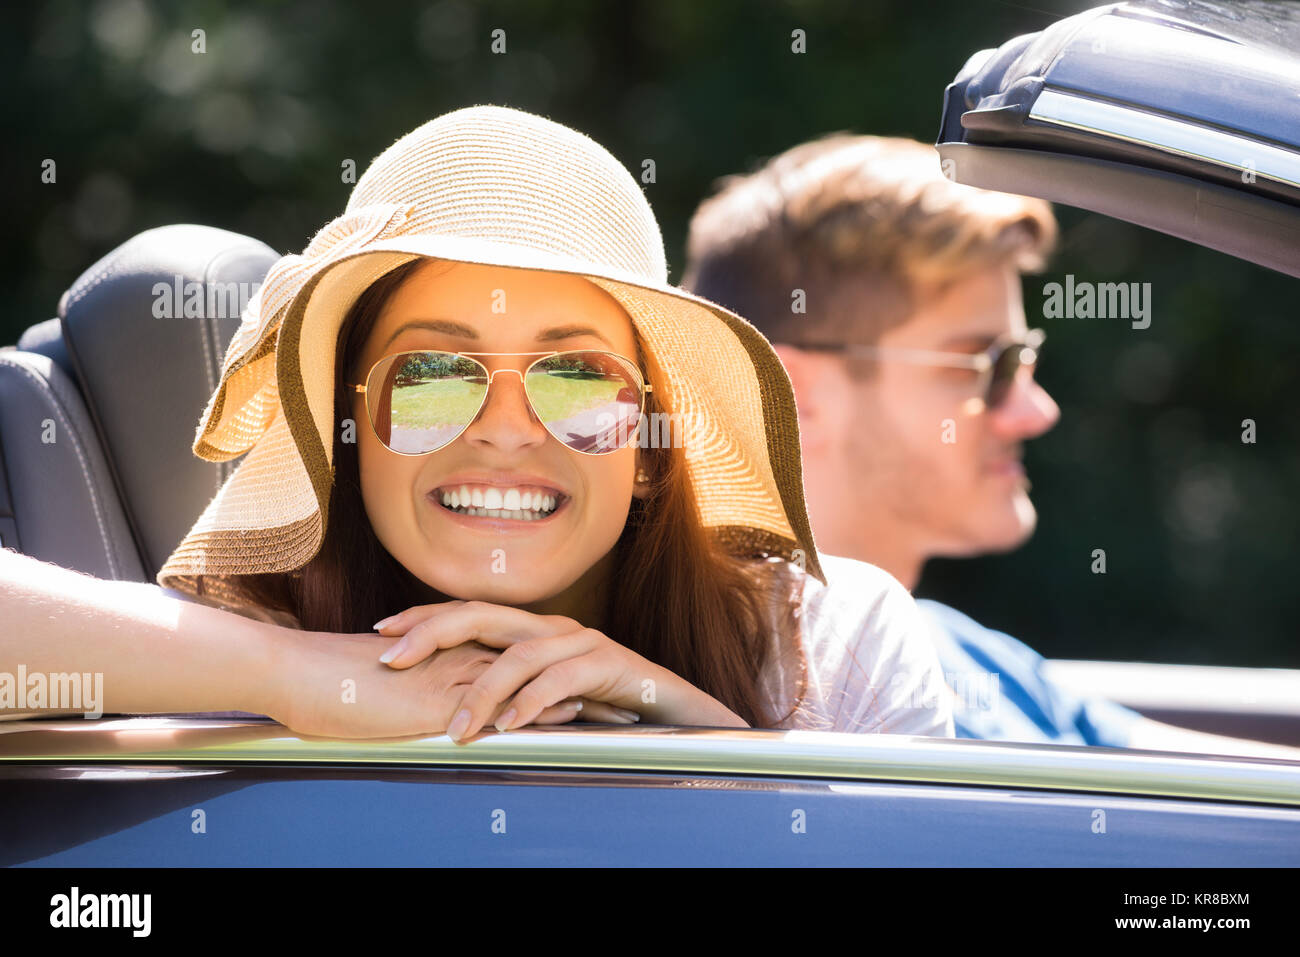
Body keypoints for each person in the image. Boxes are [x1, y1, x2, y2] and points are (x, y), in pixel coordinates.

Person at [1, 107, 952, 743]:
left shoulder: (832, 641)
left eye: (577, 377)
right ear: (348, 425)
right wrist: (298, 676)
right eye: (432, 374)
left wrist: (694, 735)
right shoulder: (241, 647)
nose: (504, 429)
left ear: (655, 448)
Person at [682, 132, 1297, 758]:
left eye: (1024, 359)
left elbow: (1256, 793)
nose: (1037, 411)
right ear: (791, 393)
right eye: (983, 364)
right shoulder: (737, 714)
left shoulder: (961, 652)